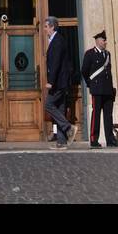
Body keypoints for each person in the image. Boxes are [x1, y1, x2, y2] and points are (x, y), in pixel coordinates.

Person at [81, 29, 118, 148]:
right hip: (97, 89)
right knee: (96, 114)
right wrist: (90, 84)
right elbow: (84, 71)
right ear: (97, 41)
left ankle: (110, 139)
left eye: (105, 40)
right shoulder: (90, 54)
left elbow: (109, 71)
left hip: (108, 90)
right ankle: (94, 139)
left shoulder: (107, 54)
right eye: (103, 40)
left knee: (108, 116)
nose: (105, 42)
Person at [44, 15, 76, 147]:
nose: (45, 29)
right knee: (60, 109)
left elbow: (56, 63)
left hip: (58, 82)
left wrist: (51, 81)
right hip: (62, 82)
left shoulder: (57, 41)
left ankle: (69, 128)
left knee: (49, 105)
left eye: (46, 27)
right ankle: (61, 142)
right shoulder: (57, 40)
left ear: (52, 27)